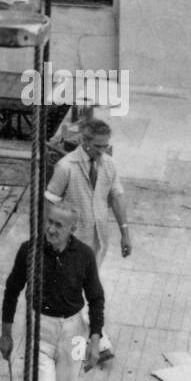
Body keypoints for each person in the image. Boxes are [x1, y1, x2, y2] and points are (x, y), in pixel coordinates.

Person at [0, 200, 104, 381]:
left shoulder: (84, 255)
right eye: (49, 222)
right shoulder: (29, 251)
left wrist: (95, 341)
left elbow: (96, 298)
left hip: (73, 333)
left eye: (58, 225)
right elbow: (12, 289)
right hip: (40, 333)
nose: (50, 229)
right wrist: (6, 333)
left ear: (72, 229)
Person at [46, 117, 130, 362]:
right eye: (99, 146)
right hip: (72, 241)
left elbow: (116, 196)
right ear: (84, 141)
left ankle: (87, 337)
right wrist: (50, 237)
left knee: (85, 287)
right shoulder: (66, 167)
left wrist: (125, 231)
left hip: (97, 239)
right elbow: (49, 202)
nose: (103, 151)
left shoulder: (108, 165)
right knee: (85, 288)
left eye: (106, 146)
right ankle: (99, 341)